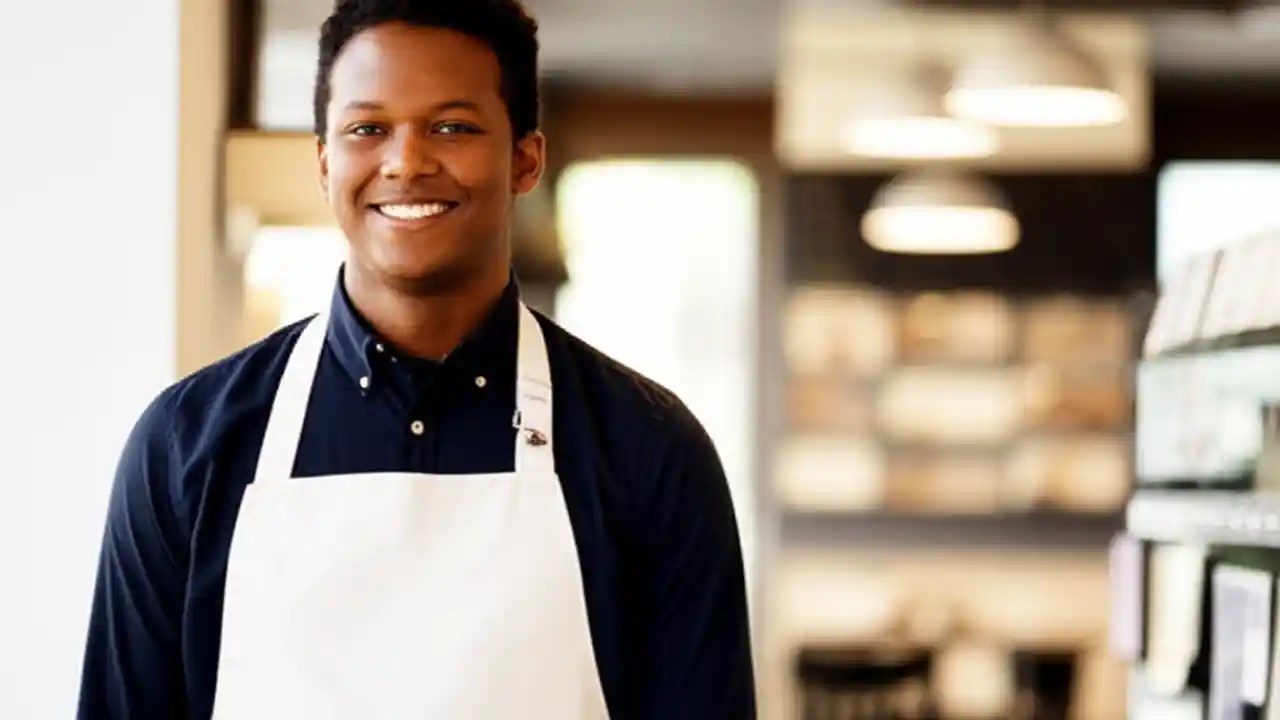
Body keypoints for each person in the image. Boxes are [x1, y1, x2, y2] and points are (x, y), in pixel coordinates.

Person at [76, 1, 756, 718]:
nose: (406, 161)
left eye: (452, 127)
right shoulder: (186, 445)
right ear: (323, 160)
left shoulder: (650, 451)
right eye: (368, 129)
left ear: (525, 159)